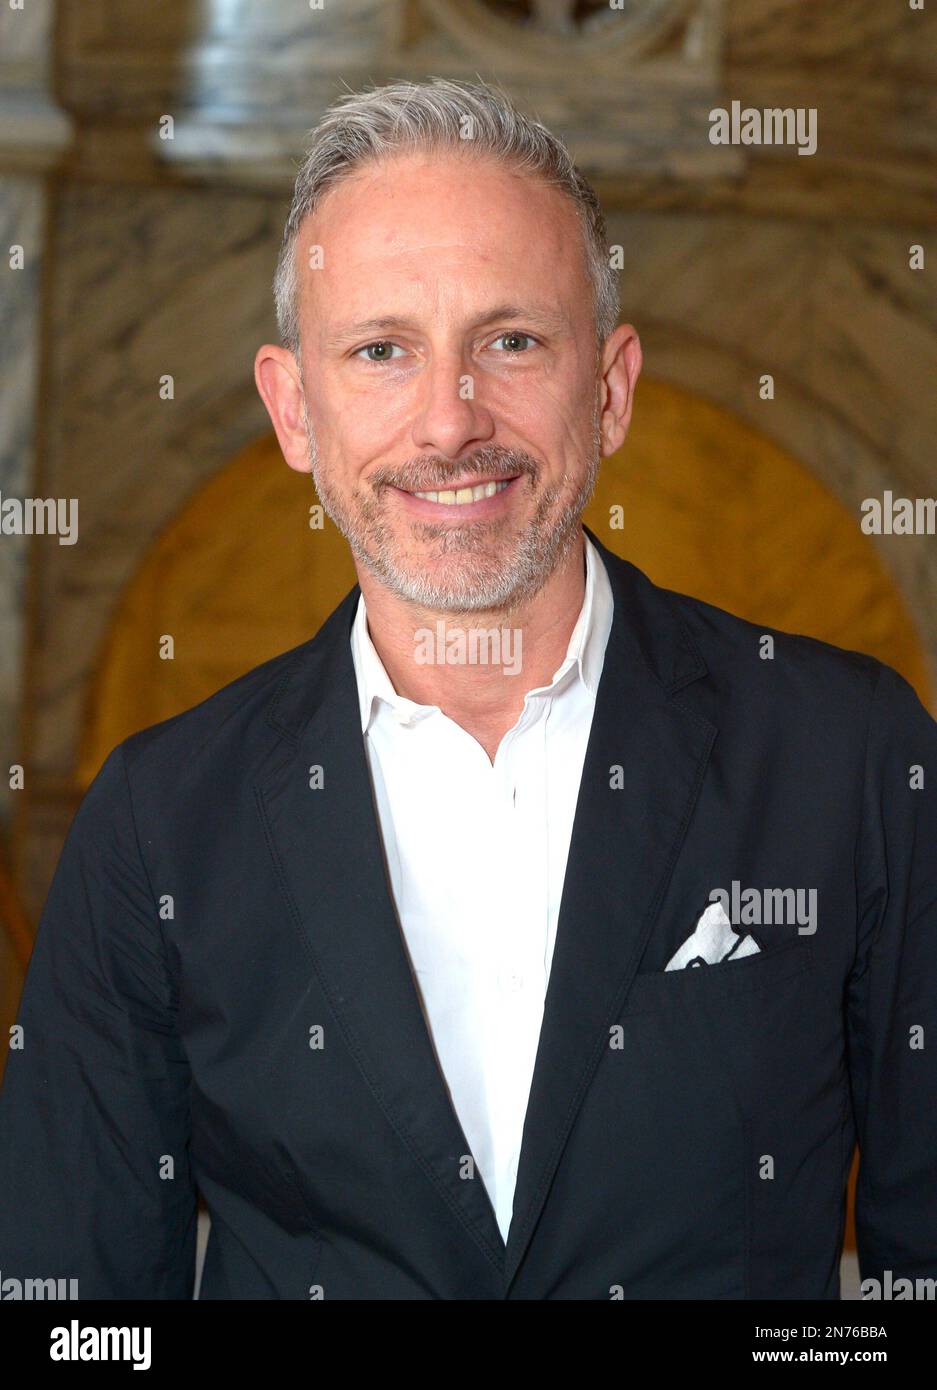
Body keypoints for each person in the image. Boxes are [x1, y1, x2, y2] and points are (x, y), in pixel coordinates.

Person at [1, 77, 935, 1300]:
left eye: (511, 342)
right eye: (382, 350)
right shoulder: (156, 822)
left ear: (608, 389)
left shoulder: (851, 754)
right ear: (295, 408)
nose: (449, 423)